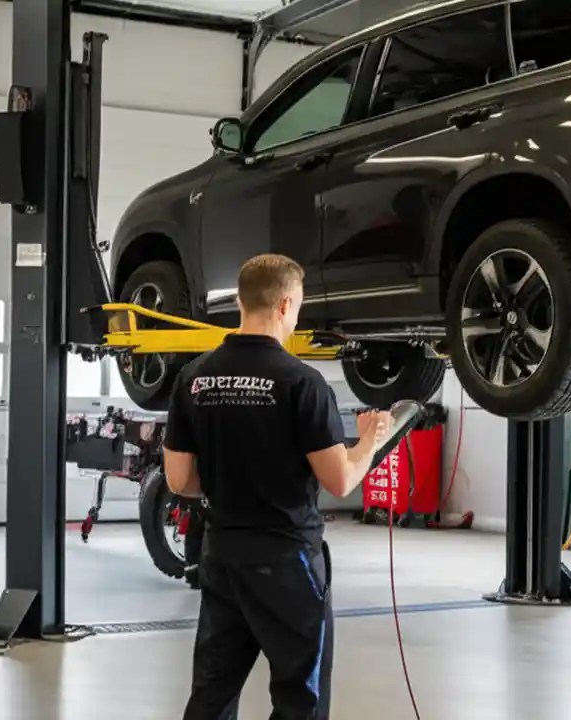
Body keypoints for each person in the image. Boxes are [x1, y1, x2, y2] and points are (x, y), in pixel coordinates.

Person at [162, 253, 392, 720]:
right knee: (300, 696)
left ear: (242, 302)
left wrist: (233, 478)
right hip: (287, 561)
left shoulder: (194, 378)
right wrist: (370, 440)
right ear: (286, 305)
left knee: (212, 690)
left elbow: (179, 480)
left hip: (221, 555)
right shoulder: (302, 383)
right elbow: (340, 479)